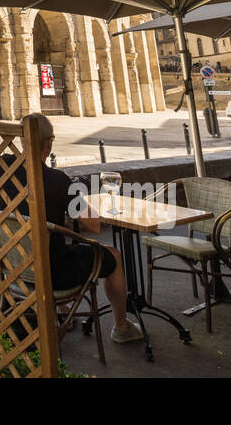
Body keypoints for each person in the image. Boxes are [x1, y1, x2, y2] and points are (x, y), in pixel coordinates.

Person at [20, 141, 144, 346]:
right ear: (49, 143)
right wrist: (76, 197)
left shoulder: (4, 173)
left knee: (53, 246)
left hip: (17, 268)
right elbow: (94, 226)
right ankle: (121, 327)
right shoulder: (57, 180)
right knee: (112, 254)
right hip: (53, 274)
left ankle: (61, 312)